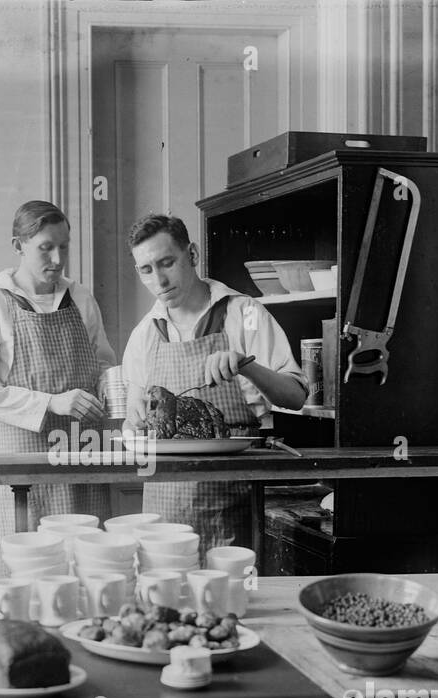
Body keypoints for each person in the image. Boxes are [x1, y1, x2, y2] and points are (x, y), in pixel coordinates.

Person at [122, 213, 306, 551]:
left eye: (167, 263)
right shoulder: (145, 334)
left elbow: (295, 396)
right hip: (163, 507)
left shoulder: (243, 313)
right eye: (146, 270)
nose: (159, 281)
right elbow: (134, 420)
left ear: (191, 255)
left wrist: (245, 366)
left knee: (231, 597)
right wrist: (133, 427)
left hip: (230, 496)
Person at [0, 200, 116, 548]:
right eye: (46, 248)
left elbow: (103, 366)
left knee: (89, 558)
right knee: (30, 559)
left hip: (83, 451)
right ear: (18, 246)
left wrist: (113, 391)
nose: (58, 260)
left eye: (64, 247)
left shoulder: (80, 297)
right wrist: (52, 402)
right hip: (24, 460)